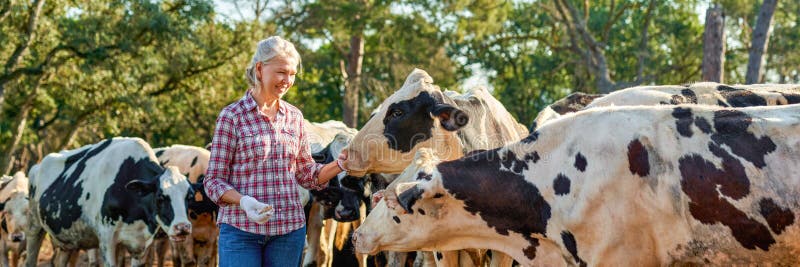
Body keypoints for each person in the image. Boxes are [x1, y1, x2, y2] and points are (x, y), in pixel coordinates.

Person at [203, 36, 348, 267]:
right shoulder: (232, 116)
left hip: (289, 232)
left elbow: (306, 174)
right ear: (259, 69)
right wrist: (243, 202)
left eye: (292, 74)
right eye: (281, 72)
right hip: (241, 231)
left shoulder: (295, 117)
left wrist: (339, 165)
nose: (287, 81)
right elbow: (213, 181)